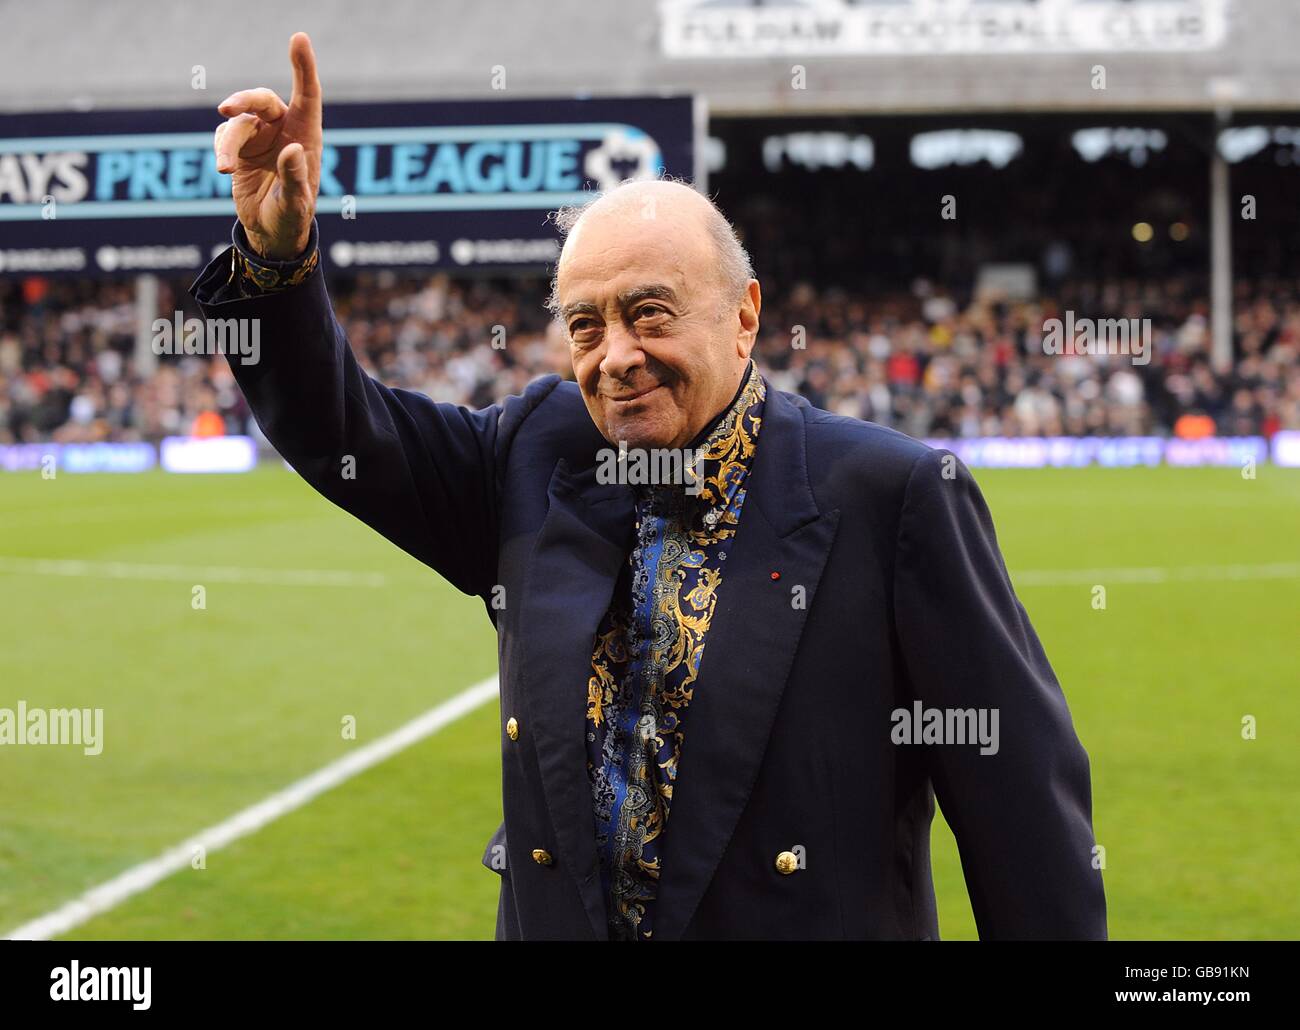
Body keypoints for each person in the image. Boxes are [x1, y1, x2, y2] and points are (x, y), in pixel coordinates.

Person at [191, 32, 1107, 940]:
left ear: (745, 316)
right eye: (585, 326)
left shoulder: (888, 494)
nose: (616, 358)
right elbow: (344, 431)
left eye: (650, 313)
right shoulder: (530, 453)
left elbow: (1022, 819)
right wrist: (279, 263)